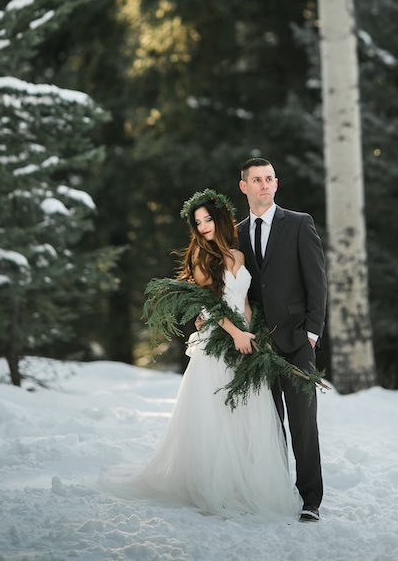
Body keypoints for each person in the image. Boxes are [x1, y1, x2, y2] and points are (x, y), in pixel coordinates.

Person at [100, 188, 302, 520]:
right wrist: (235, 333)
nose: (204, 226)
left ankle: (245, 482)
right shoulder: (199, 257)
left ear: (220, 219)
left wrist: (253, 335)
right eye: (198, 222)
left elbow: (245, 301)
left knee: (247, 409)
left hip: (245, 339)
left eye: (208, 219)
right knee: (218, 410)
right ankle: (214, 483)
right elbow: (210, 304)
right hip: (219, 341)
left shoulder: (237, 255)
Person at [238, 157, 327, 522]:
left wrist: (312, 332)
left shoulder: (299, 224)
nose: (264, 185)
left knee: (303, 423)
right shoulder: (238, 231)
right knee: (269, 423)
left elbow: (317, 280)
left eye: (269, 179)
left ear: (277, 184)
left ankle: (311, 500)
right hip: (258, 345)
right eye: (256, 180)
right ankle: (276, 492)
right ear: (244, 186)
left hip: (297, 341)